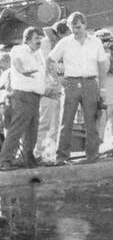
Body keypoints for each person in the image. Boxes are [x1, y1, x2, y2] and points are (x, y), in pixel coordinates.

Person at [49, 11, 109, 164]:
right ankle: (62, 157)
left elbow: (102, 65)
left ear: (85, 25)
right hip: (71, 83)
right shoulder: (65, 43)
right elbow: (49, 60)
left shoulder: (95, 42)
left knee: (91, 121)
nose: (76, 30)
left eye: (78, 27)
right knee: (66, 121)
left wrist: (102, 88)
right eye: (72, 27)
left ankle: (92, 156)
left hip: (90, 83)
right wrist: (59, 79)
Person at [0, 28, 44, 170]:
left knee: (32, 130)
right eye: (37, 38)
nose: (39, 41)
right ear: (28, 39)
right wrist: (23, 71)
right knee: (17, 129)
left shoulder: (38, 54)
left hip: (34, 97)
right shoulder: (19, 50)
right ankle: (5, 160)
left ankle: (28, 159)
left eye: (40, 38)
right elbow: (17, 63)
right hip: (22, 96)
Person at [36, 21, 67, 162]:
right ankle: (39, 155)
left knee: (54, 125)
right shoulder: (46, 43)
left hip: (55, 90)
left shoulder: (53, 44)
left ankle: (48, 156)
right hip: (47, 90)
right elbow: (48, 65)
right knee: (45, 124)